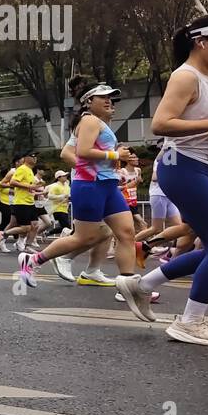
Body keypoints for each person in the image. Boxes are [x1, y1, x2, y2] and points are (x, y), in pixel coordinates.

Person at [119, 15, 208, 341]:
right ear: (202, 41)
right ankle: (189, 322)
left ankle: (141, 285)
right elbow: (161, 124)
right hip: (184, 167)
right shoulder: (185, 76)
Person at [15, 84, 138, 302]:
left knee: (126, 233)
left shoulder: (98, 123)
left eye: (112, 98)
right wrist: (113, 155)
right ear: (88, 102)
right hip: (92, 187)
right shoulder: (90, 120)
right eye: (103, 97)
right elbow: (81, 153)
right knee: (85, 237)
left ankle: (128, 286)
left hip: (107, 186)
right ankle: (33, 260)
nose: (110, 101)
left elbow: (70, 152)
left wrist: (112, 164)